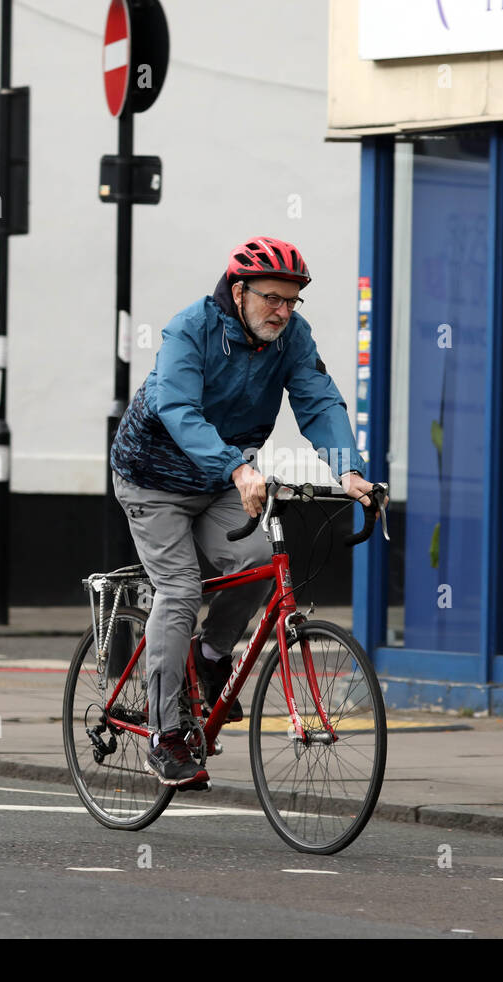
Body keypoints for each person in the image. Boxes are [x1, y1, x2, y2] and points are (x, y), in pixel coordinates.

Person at [110, 236, 373, 788]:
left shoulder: (291, 338)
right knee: (179, 590)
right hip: (154, 479)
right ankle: (166, 731)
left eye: (291, 300)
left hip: (224, 477)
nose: (283, 311)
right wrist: (237, 468)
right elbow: (178, 409)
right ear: (238, 290)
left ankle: (209, 655)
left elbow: (318, 400)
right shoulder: (190, 331)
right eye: (272, 298)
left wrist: (347, 471)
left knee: (255, 562)